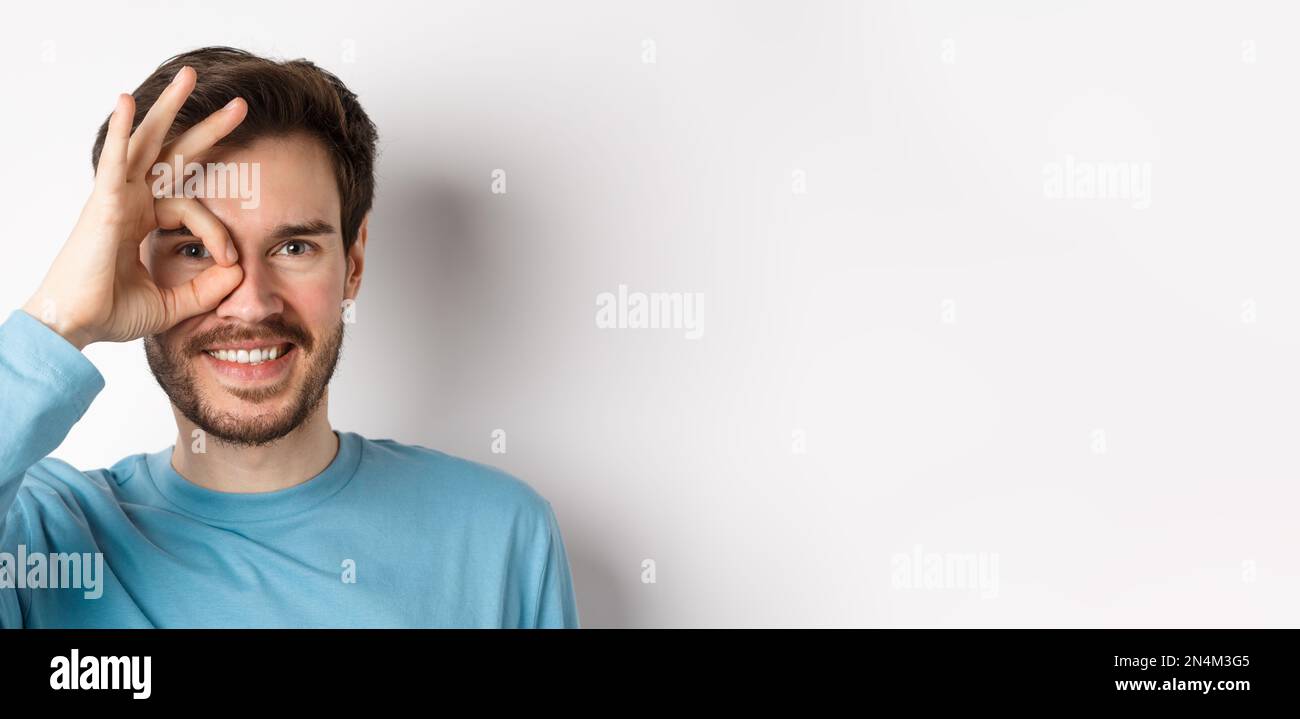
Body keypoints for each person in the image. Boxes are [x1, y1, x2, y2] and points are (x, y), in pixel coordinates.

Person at [0, 46, 579, 628]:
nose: (251, 303)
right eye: (194, 248)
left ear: (352, 265)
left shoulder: (499, 535)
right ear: (133, 265)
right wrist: (59, 320)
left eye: (294, 248)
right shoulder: (41, 541)